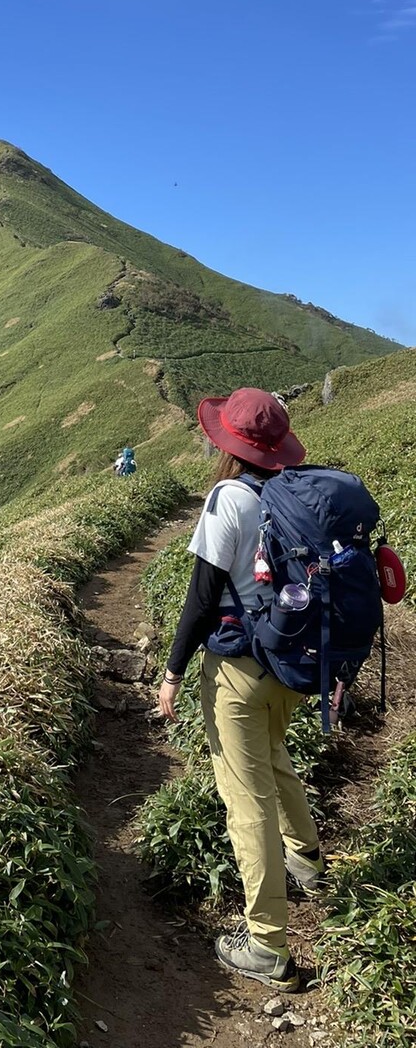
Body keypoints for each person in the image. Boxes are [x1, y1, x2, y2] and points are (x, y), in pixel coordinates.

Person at [157, 387, 326, 993]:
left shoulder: (228, 498)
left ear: (225, 443)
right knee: (274, 757)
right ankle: (306, 861)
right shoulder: (296, 493)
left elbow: (202, 599)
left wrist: (173, 671)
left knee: (244, 796)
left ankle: (267, 947)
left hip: (238, 671)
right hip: (292, 667)